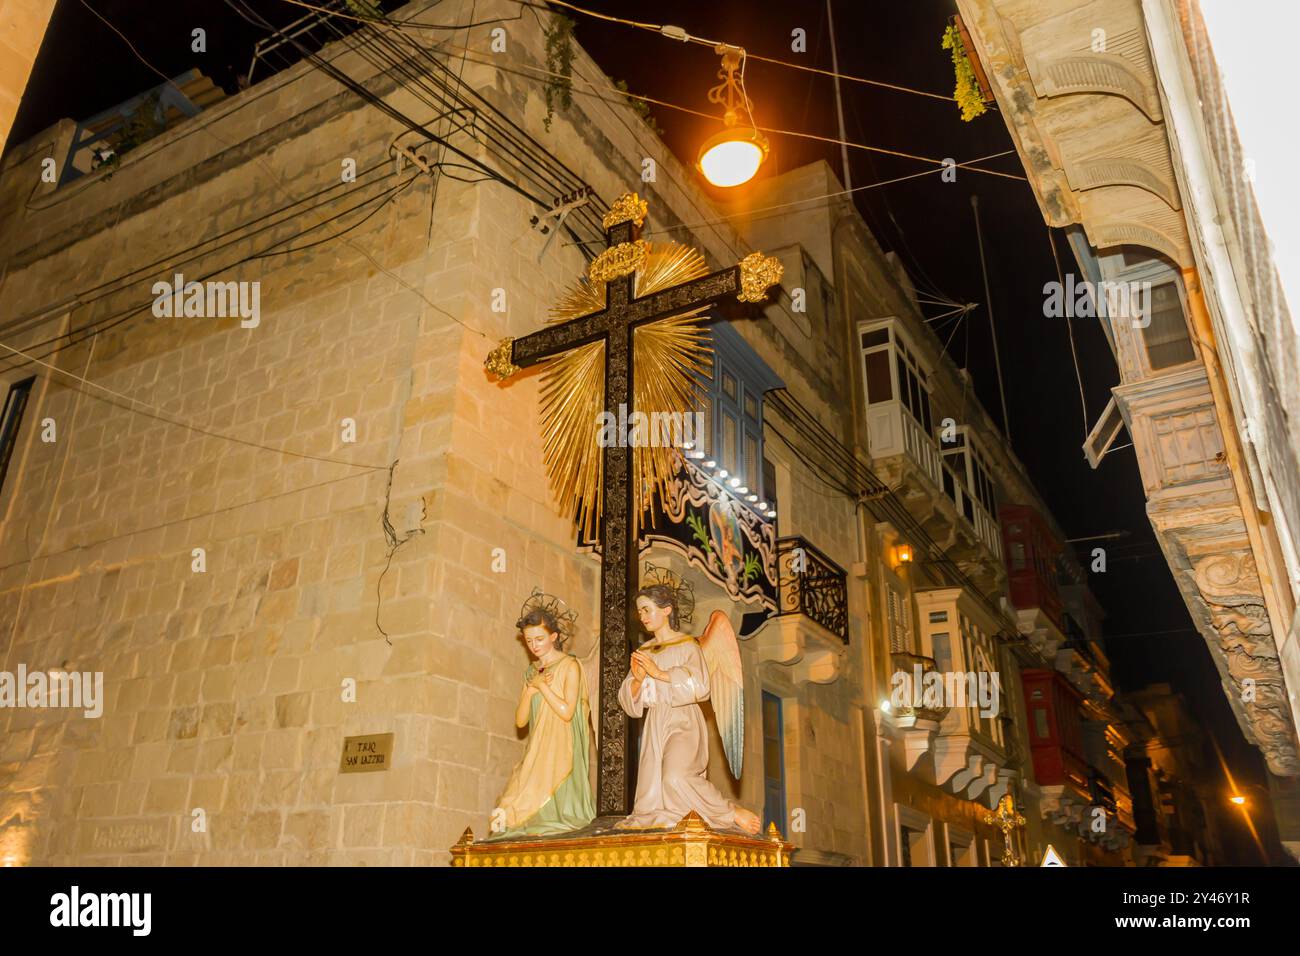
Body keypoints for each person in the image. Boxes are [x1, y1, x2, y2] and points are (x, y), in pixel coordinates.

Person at [616, 583, 761, 834]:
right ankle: (671, 816)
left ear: (667, 610)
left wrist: (660, 673)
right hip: (656, 721)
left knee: (676, 776)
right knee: (656, 786)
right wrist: (638, 681)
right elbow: (628, 701)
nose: (643, 617)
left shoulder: (687, 646)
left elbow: (701, 686)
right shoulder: (644, 651)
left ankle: (729, 811)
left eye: (648, 610)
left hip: (683, 719)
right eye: (640, 611)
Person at [491, 599, 595, 838]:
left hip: (562, 745)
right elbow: (520, 721)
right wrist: (530, 690)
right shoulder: (531, 671)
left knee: (554, 811)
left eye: (539, 639)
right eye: (528, 641)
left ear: (554, 636)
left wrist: (542, 687)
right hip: (538, 744)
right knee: (512, 803)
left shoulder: (570, 666)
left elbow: (567, 712)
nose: (533, 646)